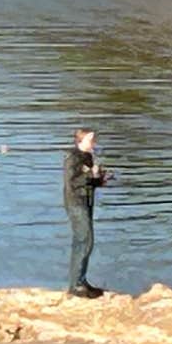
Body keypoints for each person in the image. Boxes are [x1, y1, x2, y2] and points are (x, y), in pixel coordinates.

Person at [63, 127, 111, 298]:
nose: (94, 143)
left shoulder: (88, 157)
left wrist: (100, 179)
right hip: (76, 203)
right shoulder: (72, 157)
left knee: (86, 241)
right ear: (80, 141)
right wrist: (91, 174)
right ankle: (75, 285)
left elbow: (89, 181)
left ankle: (81, 281)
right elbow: (72, 181)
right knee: (84, 240)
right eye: (91, 140)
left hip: (86, 202)